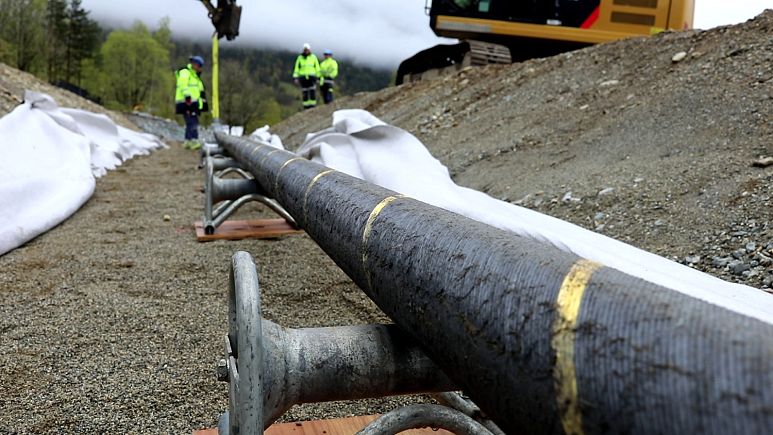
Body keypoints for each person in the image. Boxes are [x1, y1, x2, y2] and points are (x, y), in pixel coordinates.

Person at [175, 55, 208, 149]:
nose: (199, 68)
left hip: (192, 103)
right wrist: (187, 96)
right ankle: (193, 140)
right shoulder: (185, 72)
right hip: (186, 102)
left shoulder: (195, 77)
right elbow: (182, 84)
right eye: (198, 65)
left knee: (192, 121)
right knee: (192, 121)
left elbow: (200, 92)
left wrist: (202, 104)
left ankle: (188, 140)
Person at [293, 43, 321, 109]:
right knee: (304, 92)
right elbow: (296, 68)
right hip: (303, 77)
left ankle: (313, 106)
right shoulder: (300, 58)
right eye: (305, 50)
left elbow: (317, 67)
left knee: (312, 91)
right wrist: (295, 77)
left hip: (312, 77)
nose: (306, 51)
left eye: (307, 49)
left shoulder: (313, 57)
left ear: (309, 50)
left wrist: (319, 77)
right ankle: (306, 107)